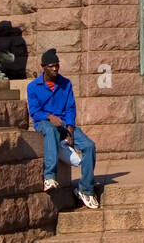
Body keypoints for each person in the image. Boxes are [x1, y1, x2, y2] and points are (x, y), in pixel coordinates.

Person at [26, 49, 99, 209]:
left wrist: (70, 131)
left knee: (89, 146)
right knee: (50, 131)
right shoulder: (33, 87)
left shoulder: (65, 84)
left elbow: (70, 108)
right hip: (44, 122)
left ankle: (85, 189)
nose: (55, 69)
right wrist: (50, 117)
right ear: (43, 67)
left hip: (65, 124)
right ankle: (49, 176)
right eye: (51, 66)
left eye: (57, 66)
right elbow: (34, 112)